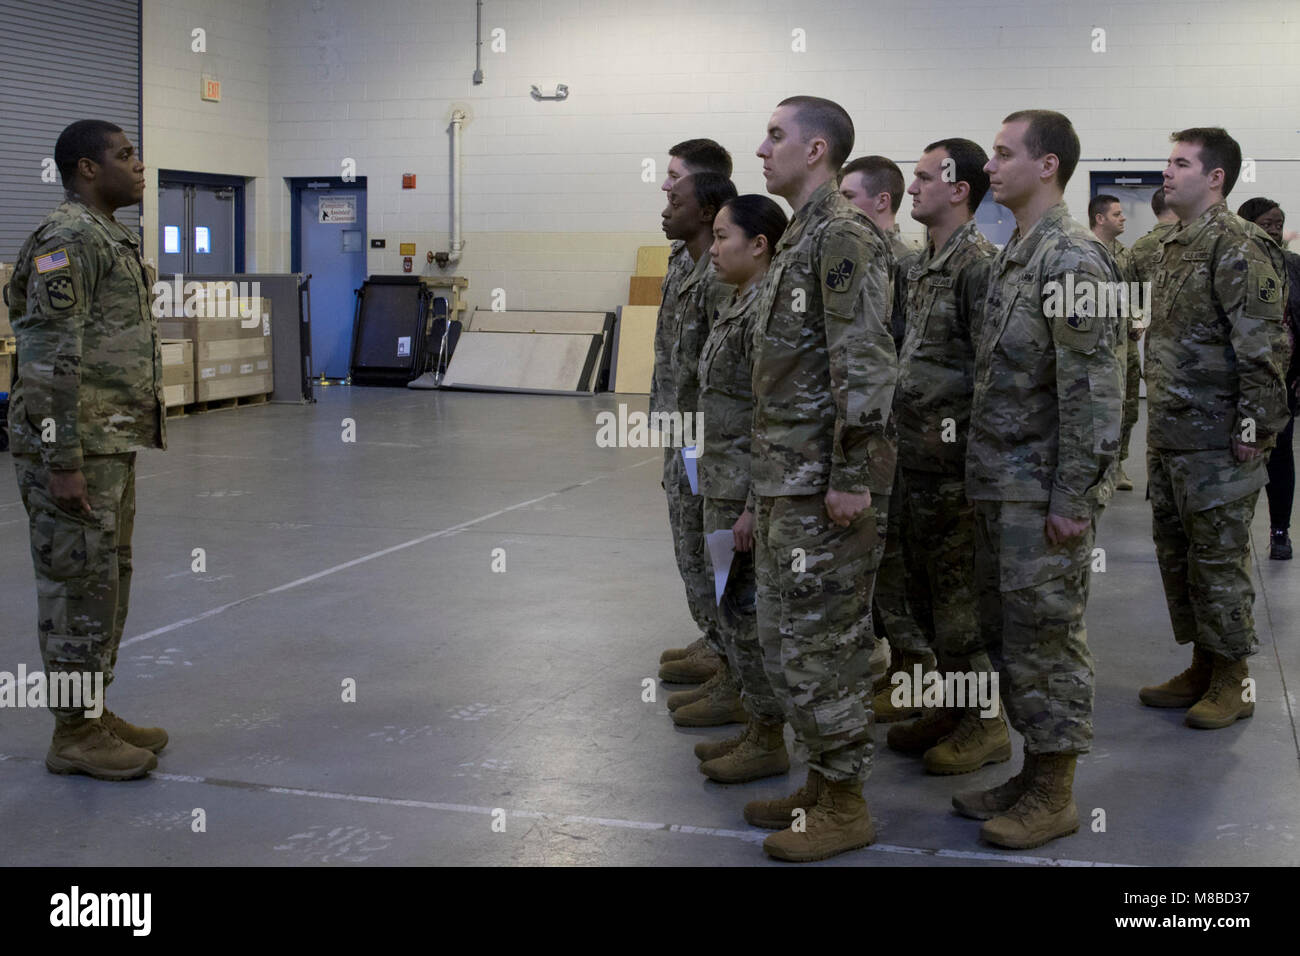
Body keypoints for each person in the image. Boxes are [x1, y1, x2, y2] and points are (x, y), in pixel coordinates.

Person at [953, 110, 1124, 849]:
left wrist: (1074, 499)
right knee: (1009, 640)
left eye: (1002, 154)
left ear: (1047, 165)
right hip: (1001, 486)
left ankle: (1055, 791)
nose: (990, 167)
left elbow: (1096, 392)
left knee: (1048, 642)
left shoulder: (1074, 260)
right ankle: (1030, 769)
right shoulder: (1014, 251)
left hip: (1041, 495)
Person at [742, 96, 897, 862]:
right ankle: (820, 783)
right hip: (785, 481)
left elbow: (863, 360)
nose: (761, 148)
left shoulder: (842, 236)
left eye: (775, 136)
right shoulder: (803, 237)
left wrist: (852, 476)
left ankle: (847, 803)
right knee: (788, 644)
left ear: (818, 151)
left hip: (823, 490)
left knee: (825, 648)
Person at [8, 119, 168, 780]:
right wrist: (62, 460)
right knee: (77, 587)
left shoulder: (108, 236)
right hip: (74, 448)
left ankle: (92, 711)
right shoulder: (67, 240)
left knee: (106, 582)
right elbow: (48, 356)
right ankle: (72, 735)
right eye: (126, 156)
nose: (139, 166)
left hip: (107, 441)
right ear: (86, 169)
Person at [1138, 129, 1290, 730]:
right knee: (1180, 557)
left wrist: (1252, 431)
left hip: (1222, 440)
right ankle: (1203, 664)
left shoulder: (1240, 246)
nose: (1167, 173)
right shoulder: (1171, 244)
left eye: (1180, 164)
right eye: (1168, 162)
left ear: (1216, 178)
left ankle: (1234, 678)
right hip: (1172, 433)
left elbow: (1265, 349)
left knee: (1219, 561)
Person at [883, 138, 1006, 775]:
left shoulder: (979, 267)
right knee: (924, 595)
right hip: (912, 459)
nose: (913, 189)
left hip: (954, 469)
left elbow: (992, 375)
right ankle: (954, 705)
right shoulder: (913, 266)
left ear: (960, 190)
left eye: (926, 178)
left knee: (960, 602)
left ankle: (986, 723)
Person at [691, 195, 792, 783]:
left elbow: (768, 413)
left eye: (725, 236)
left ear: (759, 246)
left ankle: (767, 736)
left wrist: (754, 505)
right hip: (722, 484)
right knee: (732, 609)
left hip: (742, 495)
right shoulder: (739, 303)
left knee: (749, 613)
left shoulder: (764, 314)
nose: (715, 247)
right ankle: (756, 724)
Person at [651, 139, 736, 685]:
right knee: (690, 543)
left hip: (713, 441)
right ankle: (715, 640)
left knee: (719, 550)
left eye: (674, 182)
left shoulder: (725, 274)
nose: (664, 191)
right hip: (680, 431)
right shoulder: (680, 260)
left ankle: (734, 662)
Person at [840, 155, 922, 713]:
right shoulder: (855, 253)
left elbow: (890, 358)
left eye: (848, 197)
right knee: (874, 562)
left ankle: (911, 669)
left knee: (891, 564)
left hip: (890, 439)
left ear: (880, 202)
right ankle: (888, 662)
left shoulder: (900, 264)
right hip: (868, 438)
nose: (838, 209)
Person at [1236, 197, 1300, 560]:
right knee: (1245, 454)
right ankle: (1237, 531)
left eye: (1279, 223)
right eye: (1267, 222)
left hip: (1282, 385)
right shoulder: (1237, 266)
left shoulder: (1294, 266)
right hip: (1245, 388)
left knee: (1280, 456)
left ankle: (1280, 532)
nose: (1274, 229)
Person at [1089, 193, 1139, 491]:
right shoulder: (1081, 250)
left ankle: (1117, 465)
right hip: (1094, 347)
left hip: (1124, 346)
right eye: (1117, 214)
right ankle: (1094, 469)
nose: (1123, 219)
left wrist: (1139, 318)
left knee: (1127, 408)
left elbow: (1135, 293)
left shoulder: (1126, 255)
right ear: (1100, 218)